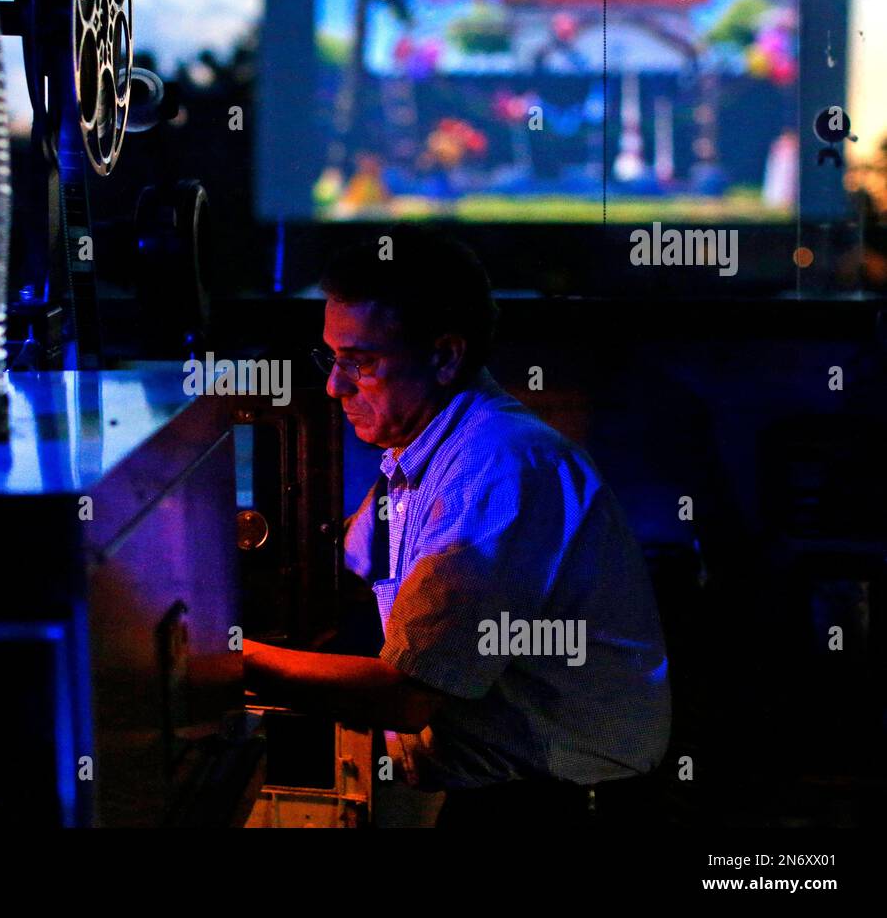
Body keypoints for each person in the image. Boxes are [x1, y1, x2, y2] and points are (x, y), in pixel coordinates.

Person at [242, 228, 671, 827]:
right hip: (508, 796)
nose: (335, 386)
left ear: (444, 355)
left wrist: (222, 660)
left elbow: (404, 693)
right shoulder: (420, 456)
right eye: (331, 359)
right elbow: (349, 562)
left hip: (555, 809)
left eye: (359, 363)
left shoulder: (500, 470)